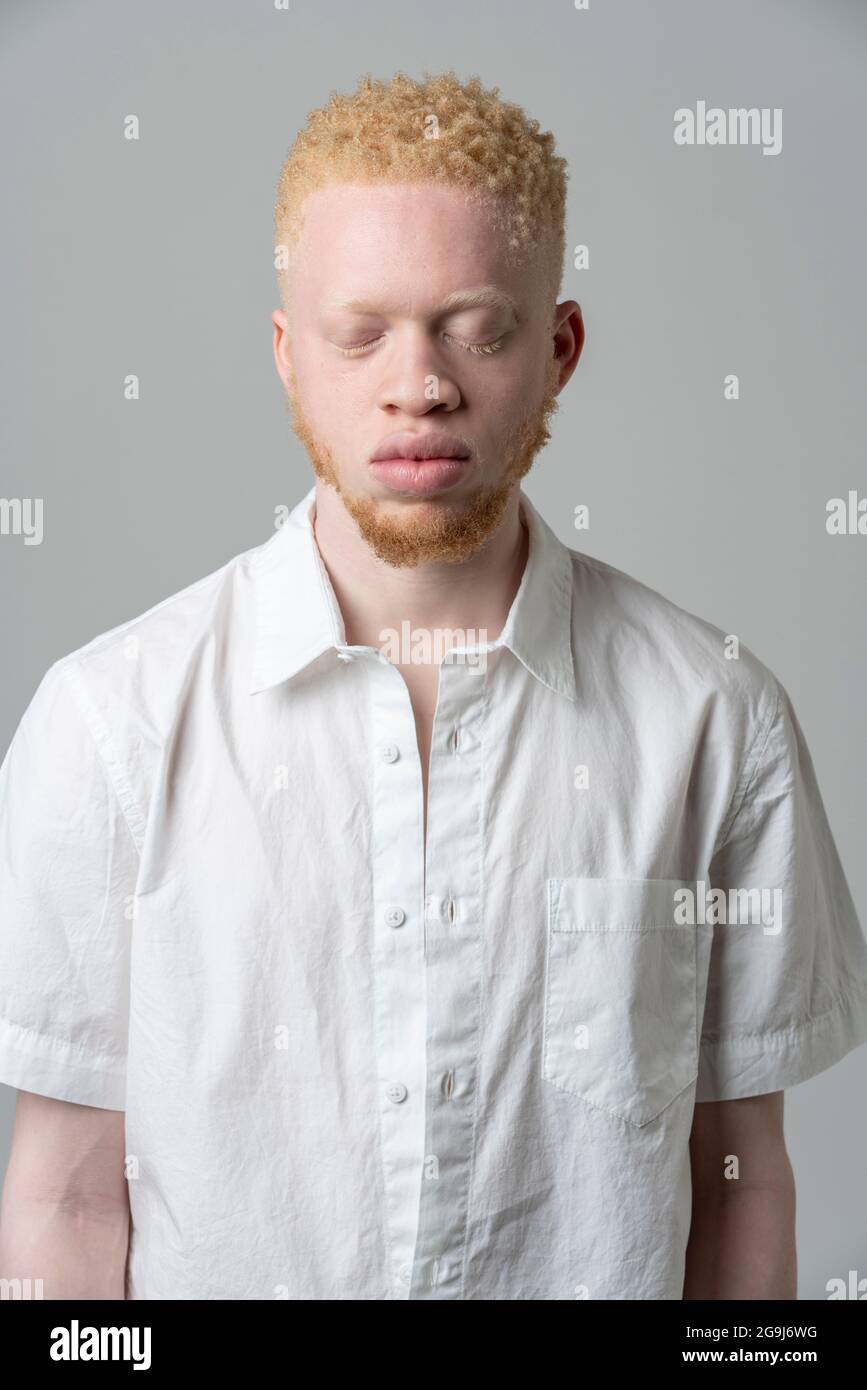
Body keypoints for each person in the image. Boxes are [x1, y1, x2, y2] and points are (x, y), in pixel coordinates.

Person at [1, 70, 866, 1302]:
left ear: (559, 348)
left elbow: (740, 1173)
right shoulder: (109, 724)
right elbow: (68, 1191)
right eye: (363, 334)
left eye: (477, 326)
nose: (422, 385)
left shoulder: (717, 723)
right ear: (290, 355)